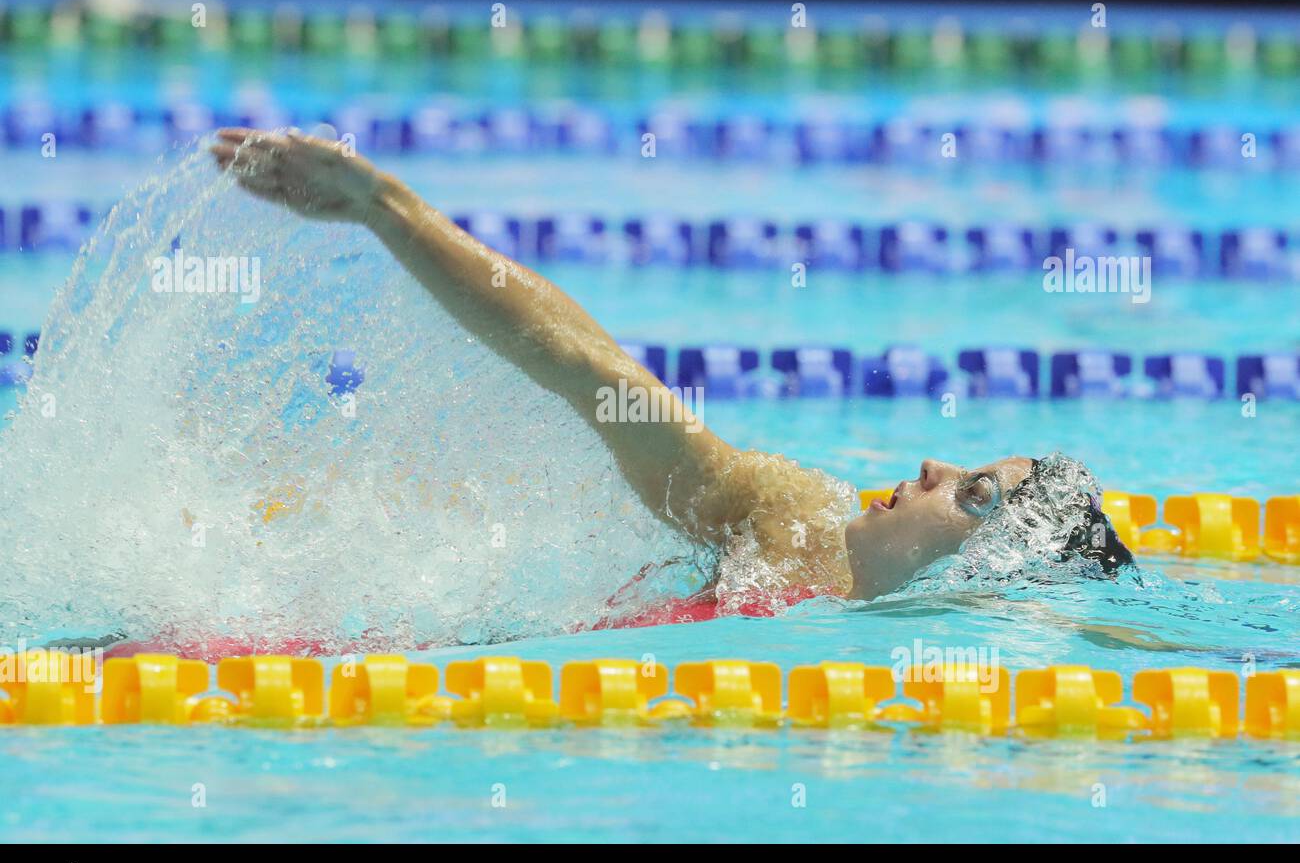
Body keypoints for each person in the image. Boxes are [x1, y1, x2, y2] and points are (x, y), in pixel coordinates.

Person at [211, 128, 1132, 609]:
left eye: (972, 491)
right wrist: (387, 209)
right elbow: (589, 369)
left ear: (994, 576)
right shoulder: (788, 518)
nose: (932, 465)